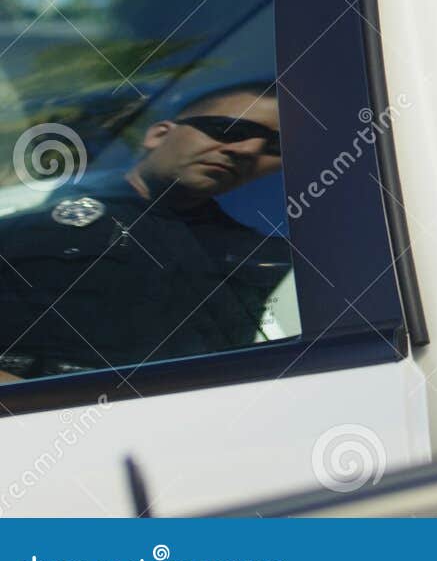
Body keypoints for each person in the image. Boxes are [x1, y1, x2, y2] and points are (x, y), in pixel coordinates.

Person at [0, 82, 290, 383]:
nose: (247, 150)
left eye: (273, 148)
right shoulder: (24, 215)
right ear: (159, 134)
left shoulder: (268, 260)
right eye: (229, 130)